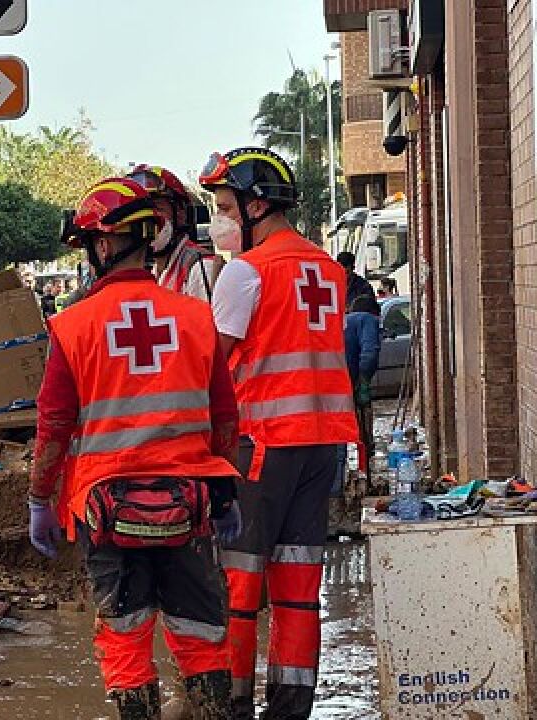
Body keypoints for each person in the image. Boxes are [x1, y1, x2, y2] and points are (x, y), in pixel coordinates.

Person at [30, 177, 243, 720]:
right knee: (200, 633)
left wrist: (40, 500)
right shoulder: (196, 317)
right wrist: (228, 491)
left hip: (107, 509)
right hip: (190, 504)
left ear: (104, 244)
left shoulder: (73, 325)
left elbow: (54, 424)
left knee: (124, 636)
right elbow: (225, 415)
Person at [199, 147, 359, 719]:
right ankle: (291, 708)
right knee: (297, 587)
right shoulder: (327, 267)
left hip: (262, 444)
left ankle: (234, 707)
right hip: (324, 445)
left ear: (255, 205)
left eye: (223, 206)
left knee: (241, 584)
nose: (218, 219)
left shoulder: (247, 271)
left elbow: (213, 370)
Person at [126, 164, 227, 302]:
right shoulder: (155, 272)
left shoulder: (201, 269)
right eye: (141, 214)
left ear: (181, 214)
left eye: (157, 209)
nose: (149, 221)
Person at [344, 295, 382, 480]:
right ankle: (365, 473)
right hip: (351, 381)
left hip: (333, 383)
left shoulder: (344, 320)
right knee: (363, 434)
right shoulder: (367, 320)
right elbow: (370, 352)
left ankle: (338, 488)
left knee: (338, 435)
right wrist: (364, 380)